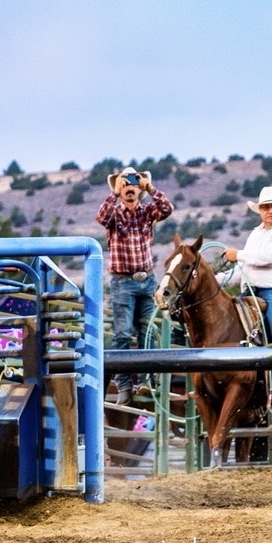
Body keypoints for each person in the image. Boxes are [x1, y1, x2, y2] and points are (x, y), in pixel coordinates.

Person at [95, 166, 174, 405]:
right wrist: (114, 193)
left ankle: (145, 380)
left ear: (140, 189)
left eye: (134, 184)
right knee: (123, 333)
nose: (130, 189)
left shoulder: (147, 212)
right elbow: (102, 216)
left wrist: (150, 188)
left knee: (146, 331)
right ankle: (123, 384)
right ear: (119, 189)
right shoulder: (114, 214)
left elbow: (167, 209)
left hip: (146, 279)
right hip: (123, 281)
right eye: (125, 185)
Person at [219, 185, 272, 406]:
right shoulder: (256, 234)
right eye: (266, 207)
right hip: (251, 291)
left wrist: (238, 254)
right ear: (260, 210)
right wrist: (213, 280)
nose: (270, 211)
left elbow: (271, 257)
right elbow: (243, 268)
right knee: (224, 323)